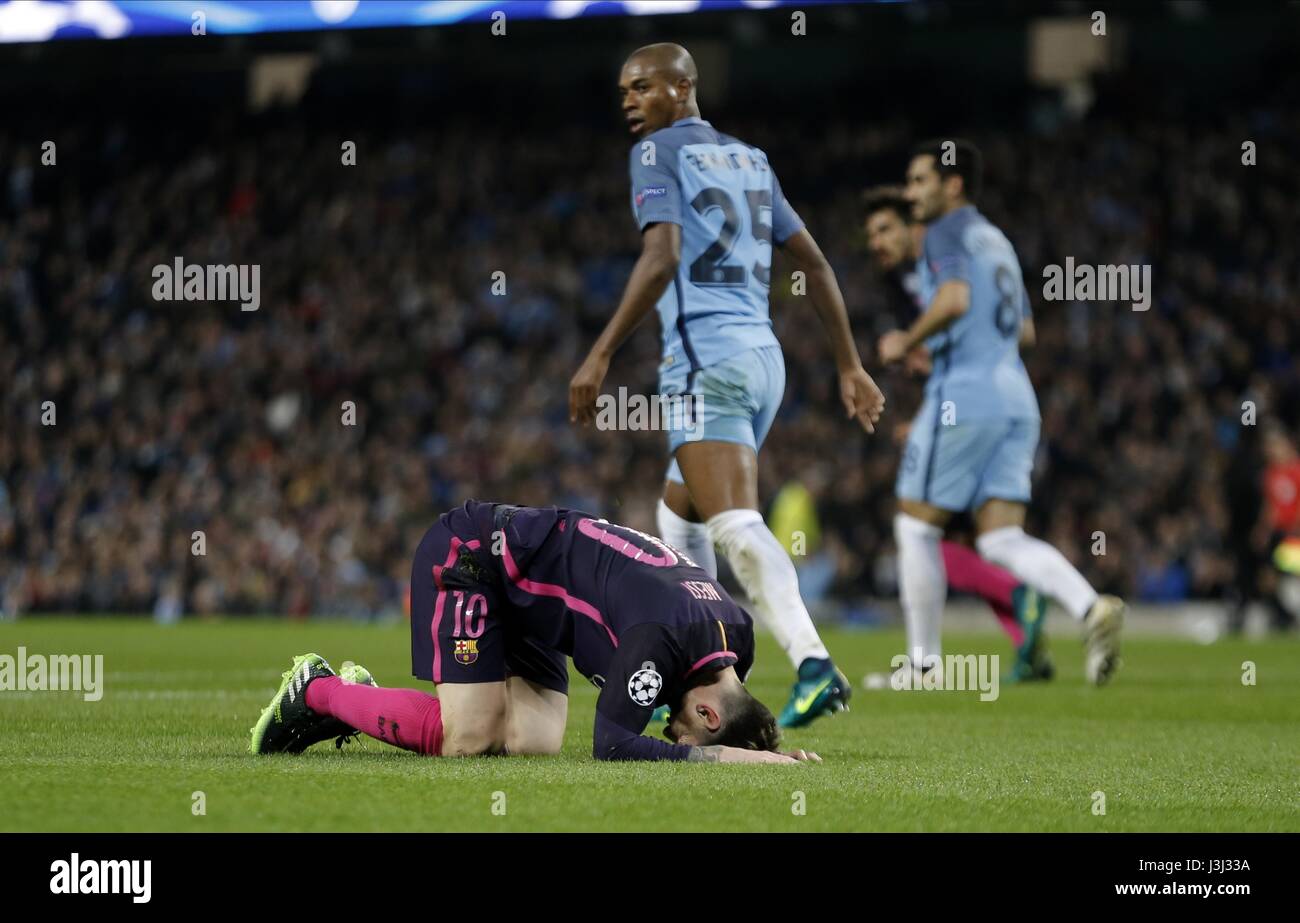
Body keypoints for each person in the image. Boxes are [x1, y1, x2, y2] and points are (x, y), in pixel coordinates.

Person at [569, 43, 885, 726]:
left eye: (642, 87)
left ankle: (813, 661)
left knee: (736, 526)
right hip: (762, 359)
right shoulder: (752, 160)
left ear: (683, 88)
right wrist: (848, 363)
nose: (629, 101)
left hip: (706, 362)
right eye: (623, 89)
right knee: (677, 517)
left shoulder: (656, 155)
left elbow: (661, 258)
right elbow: (819, 265)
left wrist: (598, 355)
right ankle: (707, 666)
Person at [250, 501, 820, 763]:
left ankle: (361, 696)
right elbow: (613, 745)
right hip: (476, 557)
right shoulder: (660, 639)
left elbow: (731, 707)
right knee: (468, 739)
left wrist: (765, 747)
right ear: (709, 716)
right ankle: (318, 690)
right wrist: (735, 761)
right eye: (683, 735)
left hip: (535, 605)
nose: (670, 731)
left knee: (530, 742)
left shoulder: (735, 636)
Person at [876, 142, 1124, 685]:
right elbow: (1026, 331)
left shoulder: (946, 230)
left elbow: (954, 302)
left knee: (914, 527)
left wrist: (908, 341)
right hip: (1016, 395)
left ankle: (923, 665)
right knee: (998, 540)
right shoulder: (997, 240)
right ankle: (1090, 607)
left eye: (920, 182)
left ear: (953, 185)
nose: (912, 194)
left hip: (963, 396)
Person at [862, 185, 1051, 683]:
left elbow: (948, 345)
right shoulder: (911, 276)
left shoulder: (928, 272)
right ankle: (1025, 642)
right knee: (967, 537)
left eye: (885, 229)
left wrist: (930, 412)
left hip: (973, 414)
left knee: (932, 534)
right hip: (996, 406)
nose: (876, 243)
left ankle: (1007, 603)